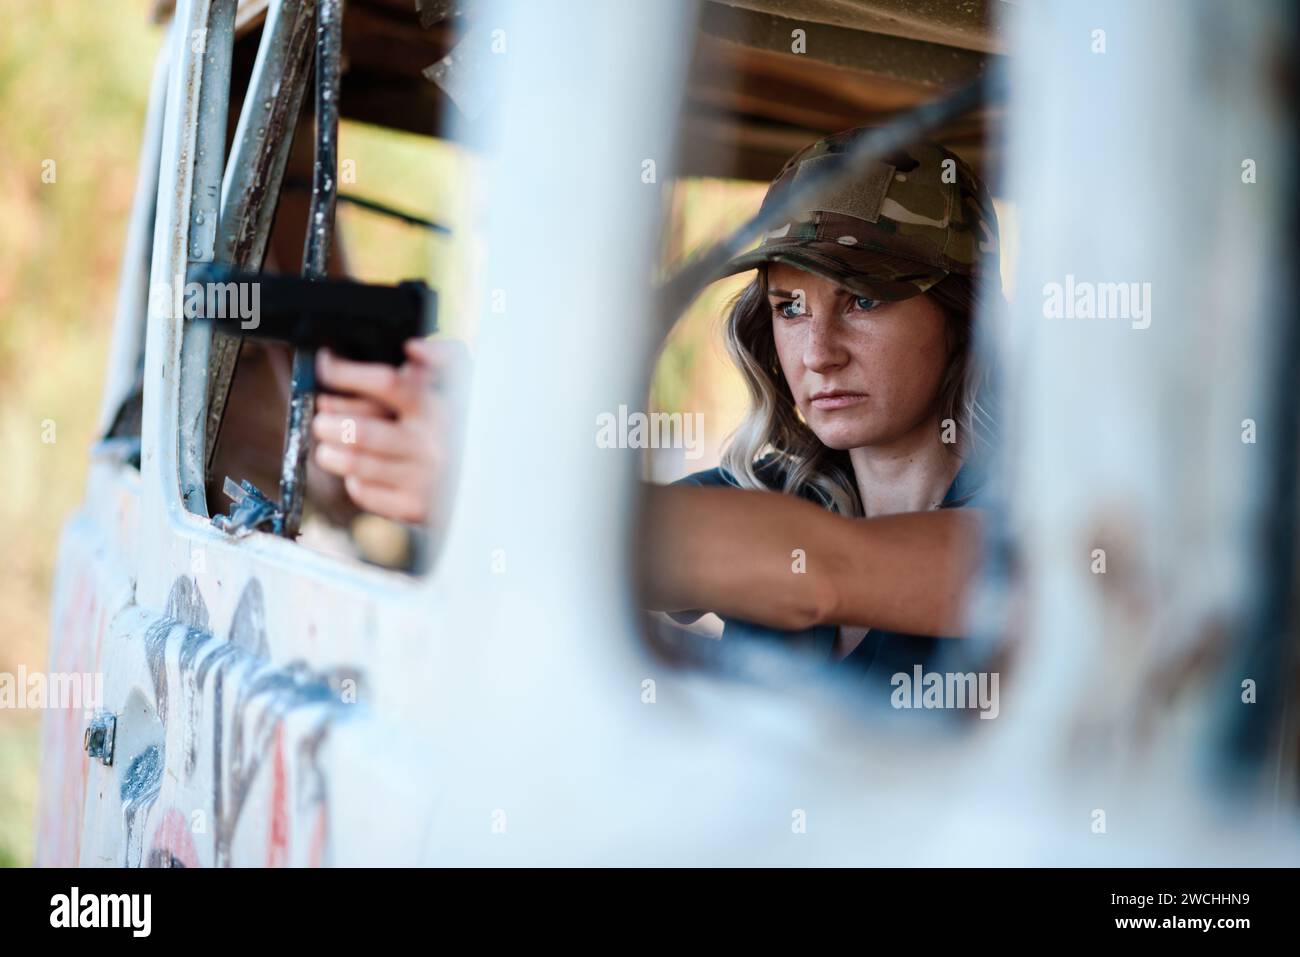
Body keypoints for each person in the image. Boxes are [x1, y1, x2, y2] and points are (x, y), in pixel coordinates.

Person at [313, 128, 999, 693]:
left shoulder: (1045, 529)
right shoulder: (771, 490)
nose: (817, 351)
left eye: (864, 300)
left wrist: (505, 485)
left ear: (966, 317)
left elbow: (817, 574)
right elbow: (625, 558)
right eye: (790, 306)